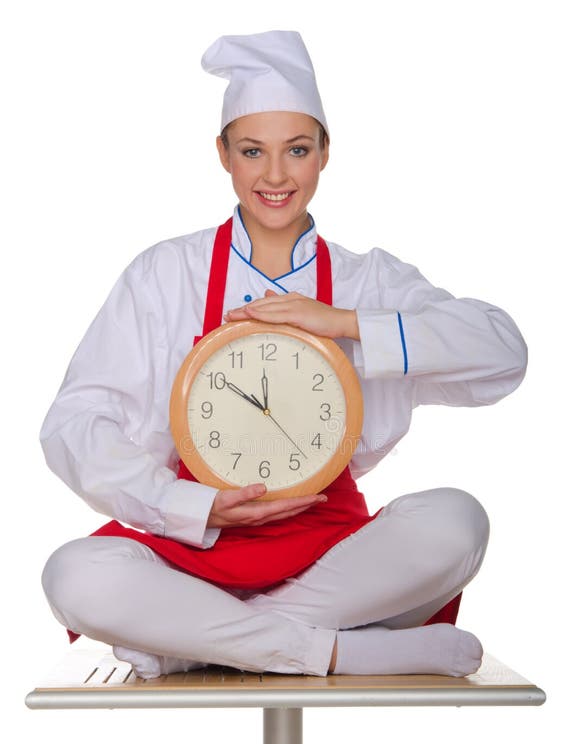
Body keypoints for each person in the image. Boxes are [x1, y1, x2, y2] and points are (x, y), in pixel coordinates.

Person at [39, 30, 527, 680]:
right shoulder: (167, 275)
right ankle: (333, 650)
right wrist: (190, 504)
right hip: (195, 546)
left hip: (329, 547)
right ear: (224, 155)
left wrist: (347, 323)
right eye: (252, 151)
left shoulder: (366, 281)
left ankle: (198, 642)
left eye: (296, 150)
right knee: (74, 574)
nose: (274, 176)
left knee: (459, 522)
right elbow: (72, 425)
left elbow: (502, 352)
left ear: (325, 152)